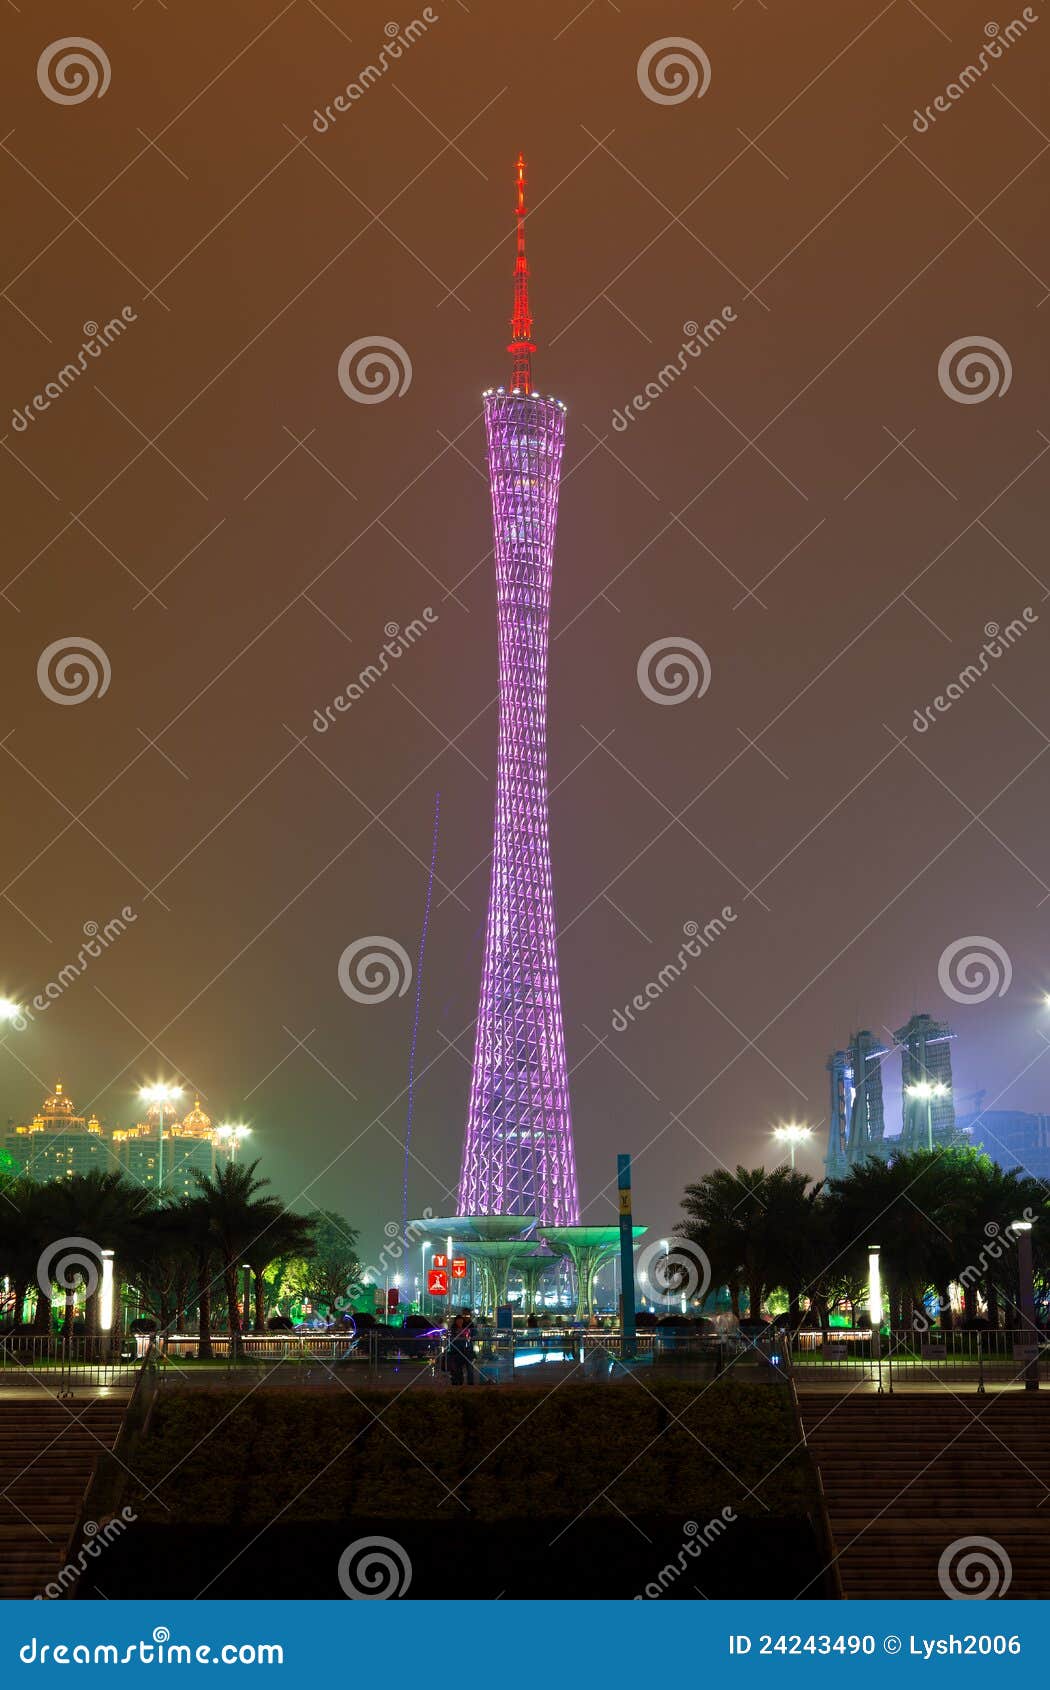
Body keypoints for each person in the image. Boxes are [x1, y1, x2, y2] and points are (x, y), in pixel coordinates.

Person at [446, 1315, 465, 1386]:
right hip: (454, 1351)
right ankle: (455, 1381)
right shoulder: (453, 1330)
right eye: (458, 1320)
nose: (460, 1322)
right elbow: (450, 1338)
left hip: (461, 1351)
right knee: (454, 1368)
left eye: (461, 1320)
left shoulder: (464, 1329)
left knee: (459, 1368)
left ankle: (459, 1381)